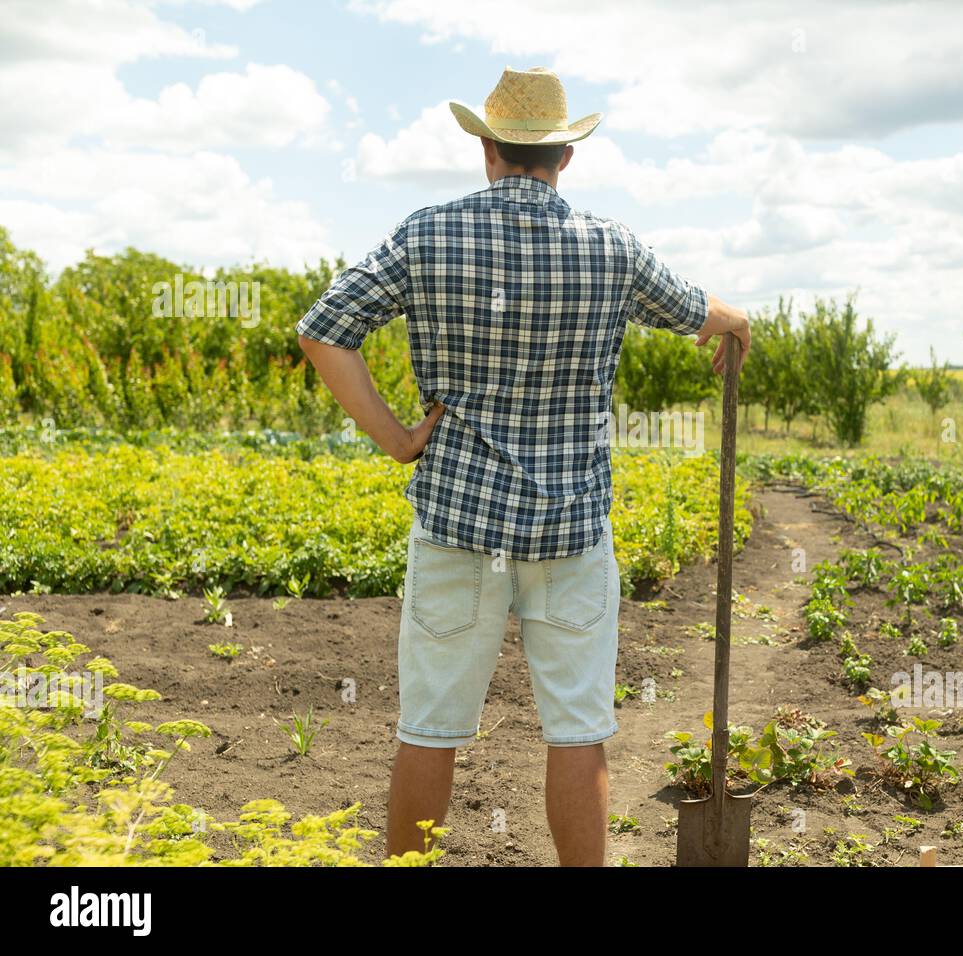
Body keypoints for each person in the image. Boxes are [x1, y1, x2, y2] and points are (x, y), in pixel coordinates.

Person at [296, 66, 751, 866]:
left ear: (484, 147)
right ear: (565, 159)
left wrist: (397, 438)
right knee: (579, 732)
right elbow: (692, 308)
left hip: (457, 527)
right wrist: (734, 319)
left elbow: (323, 329)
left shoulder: (427, 233)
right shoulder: (611, 246)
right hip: (571, 531)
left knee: (429, 729)